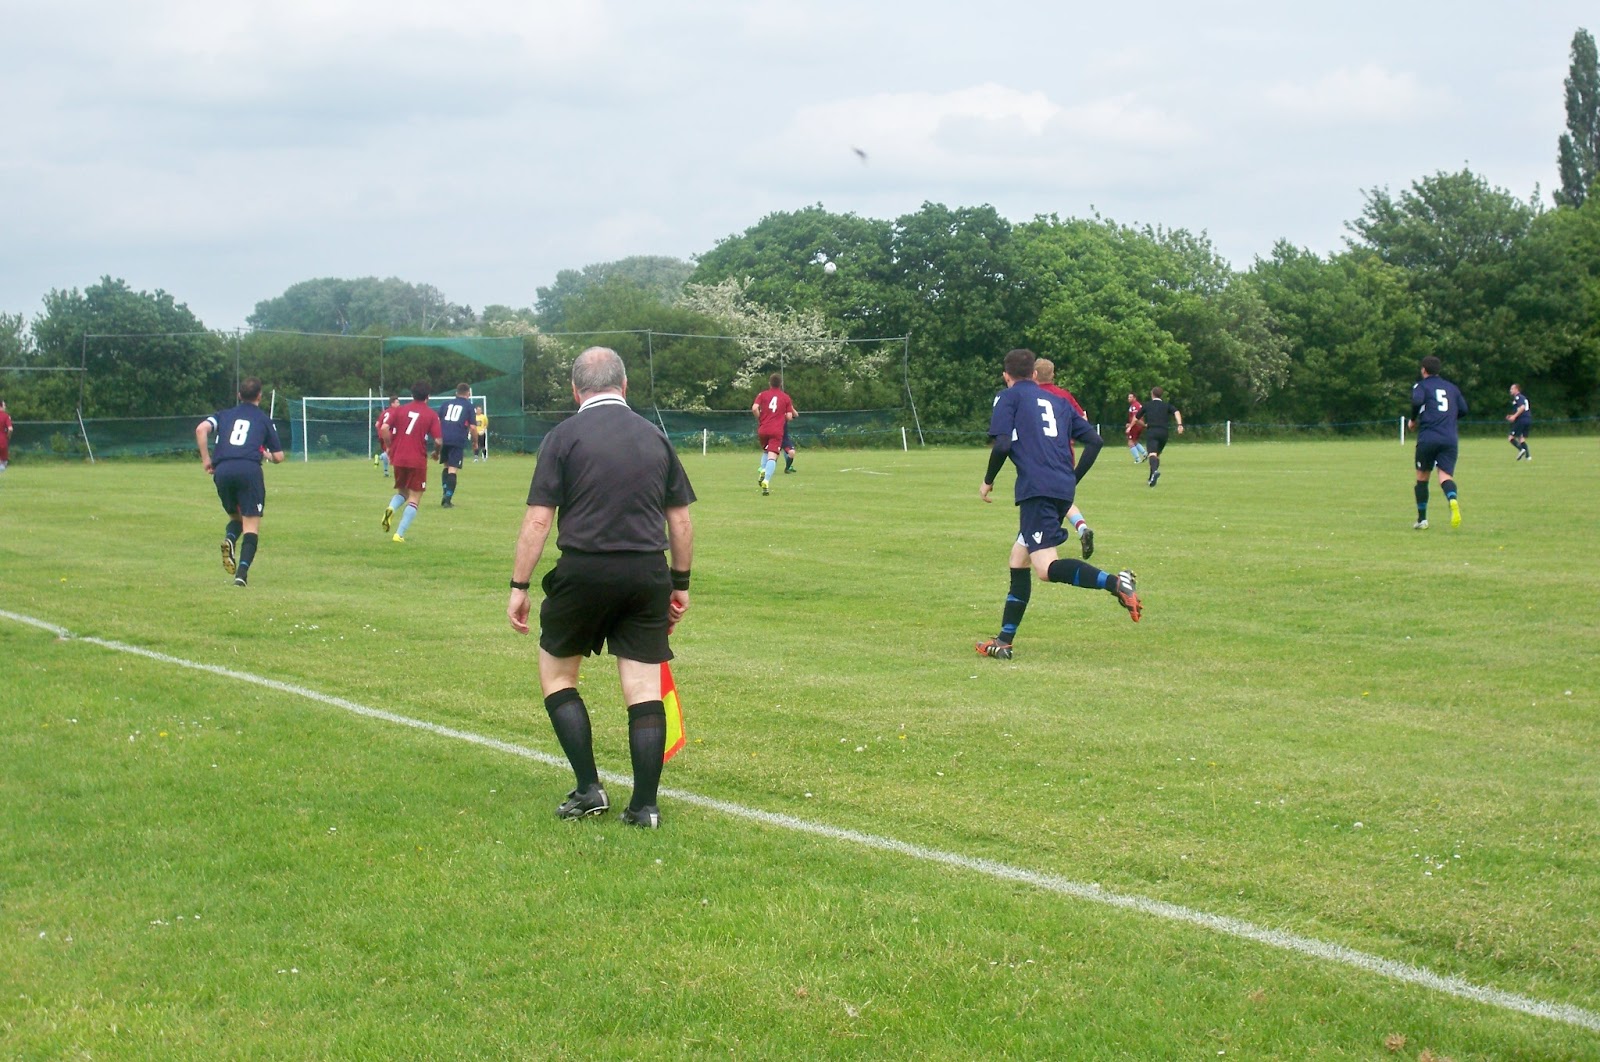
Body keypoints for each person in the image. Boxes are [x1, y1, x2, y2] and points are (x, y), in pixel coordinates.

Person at [507, 346, 696, 830]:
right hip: (646, 573)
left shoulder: (563, 436)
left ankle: (589, 789)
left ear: (576, 390)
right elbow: (680, 519)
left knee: (557, 677)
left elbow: (538, 519)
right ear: (624, 385)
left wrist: (519, 585)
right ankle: (645, 806)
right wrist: (680, 584)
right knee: (643, 689)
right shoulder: (655, 436)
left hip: (585, 570)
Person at [976, 349, 1141, 660]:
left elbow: (1002, 443)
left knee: (1045, 568)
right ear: (1034, 374)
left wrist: (988, 480)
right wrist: (1071, 479)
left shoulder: (1007, 397)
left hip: (1036, 490)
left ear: (1006, 376)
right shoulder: (1060, 401)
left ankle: (1117, 582)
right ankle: (1004, 641)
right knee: (1018, 559)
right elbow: (1095, 441)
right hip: (1059, 486)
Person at [195, 378, 285, 587]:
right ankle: (241, 574)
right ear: (259, 396)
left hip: (223, 470)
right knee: (251, 524)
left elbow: (201, 429)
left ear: (239, 396)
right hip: (248, 469)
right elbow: (279, 456)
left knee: (236, 517)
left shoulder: (224, 415)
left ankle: (229, 538)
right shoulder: (263, 419)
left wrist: (206, 459)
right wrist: (267, 455)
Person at [1032, 358, 1096, 559]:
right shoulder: (1064, 396)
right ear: (1053, 374)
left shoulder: (1030, 396)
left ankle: (1038, 538)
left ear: (1034, 374)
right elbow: (1083, 421)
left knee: (1040, 499)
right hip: (1066, 454)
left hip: (1041, 456)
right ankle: (1082, 527)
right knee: (1062, 497)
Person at [380, 380, 443, 543]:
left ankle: (391, 509)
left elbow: (384, 428)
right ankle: (399, 534)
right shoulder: (431, 415)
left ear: (411, 395)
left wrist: (389, 446)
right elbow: (438, 440)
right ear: (428, 397)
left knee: (402, 492)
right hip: (417, 460)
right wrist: (436, 453)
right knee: (414, 497)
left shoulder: (399, 410)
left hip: (399, 457)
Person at [1409, 355, 1466, 529]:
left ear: (1423, 370)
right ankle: (1452, 499)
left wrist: (1413, 419)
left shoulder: (1421, 386)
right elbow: (1464, 409)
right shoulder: (1452, 388)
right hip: (1449, 438)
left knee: (1422, 476)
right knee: (1445, 476)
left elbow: (1417, 400)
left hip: (1429, 437)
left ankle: (1422, 520)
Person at [752, 372, 796, 495]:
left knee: (766, 450)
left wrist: (760, 418)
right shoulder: (785, 397)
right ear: (780, 384)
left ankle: (762, 469)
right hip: (776, 430)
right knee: (772, 455)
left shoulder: (762, 395)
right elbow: (789, 416)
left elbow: (754, 408)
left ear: (769, 383)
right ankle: (766, 480)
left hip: (763, 429)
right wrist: (783, 418)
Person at [435, 382, 476, 508]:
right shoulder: (469, 406)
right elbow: (473, 427)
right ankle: (447, 499)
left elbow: (437, 420)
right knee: (453, 469)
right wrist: (475, 442)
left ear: (456, 392)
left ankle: (445, 494)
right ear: (468, 393)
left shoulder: (446, 404)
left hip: (444, 438)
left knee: (446, 466)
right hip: (457, 439)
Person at [1138, 386, 1183, 487]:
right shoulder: (1166, 405)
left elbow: (1136, 418)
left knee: (1152, 454)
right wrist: (1179, 425)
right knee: (1156, 455)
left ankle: (1154, 472)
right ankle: (1151, 478)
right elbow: (1176, 412)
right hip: (1164, 432)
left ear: (1152, 394)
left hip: (1152, 431)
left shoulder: (1147, 405)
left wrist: (1144, 425)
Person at [374, 396, 400, 474]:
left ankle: (386, 472)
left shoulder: (385, 412)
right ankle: (379, 457)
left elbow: (377, 424)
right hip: (390, 435)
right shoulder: (396, 412)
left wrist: (380, 432)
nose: (399, 404)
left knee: (388, 452)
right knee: (390, 452)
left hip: (382, 435)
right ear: (392, 403)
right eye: (397, 402)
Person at [1506, 383, 1531, 461]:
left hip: (1521, 420)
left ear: (1516, 389)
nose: (1510, 390)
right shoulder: (1523, 397)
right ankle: (1528, 457)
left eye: (1512, 389)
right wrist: (1512, 415)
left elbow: (1522, 407)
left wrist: (1514, 416)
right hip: (1528, 419)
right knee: (1521, 439)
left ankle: (1521, 450)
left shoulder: (1518, 397)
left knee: (1510, 438)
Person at [1125, 392, 1148, 463]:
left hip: (1136, 426)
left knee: (1130, 442)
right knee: (1134, 441)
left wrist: (1130, 426)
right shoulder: (1137, 405)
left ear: (1134, 398)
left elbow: (1136, 418)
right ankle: (1145, 453)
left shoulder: (1135, 406)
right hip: (1138, 425)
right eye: (1128, 397)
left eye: (1130, 397)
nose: (1129, 398)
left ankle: (1137, 459)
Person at [0, 398, 12, 472]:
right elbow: (10, 429)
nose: (5, 407)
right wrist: (8, 436)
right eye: (4, 405)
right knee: (4, 462)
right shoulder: (6, 416)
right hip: (2, 440)